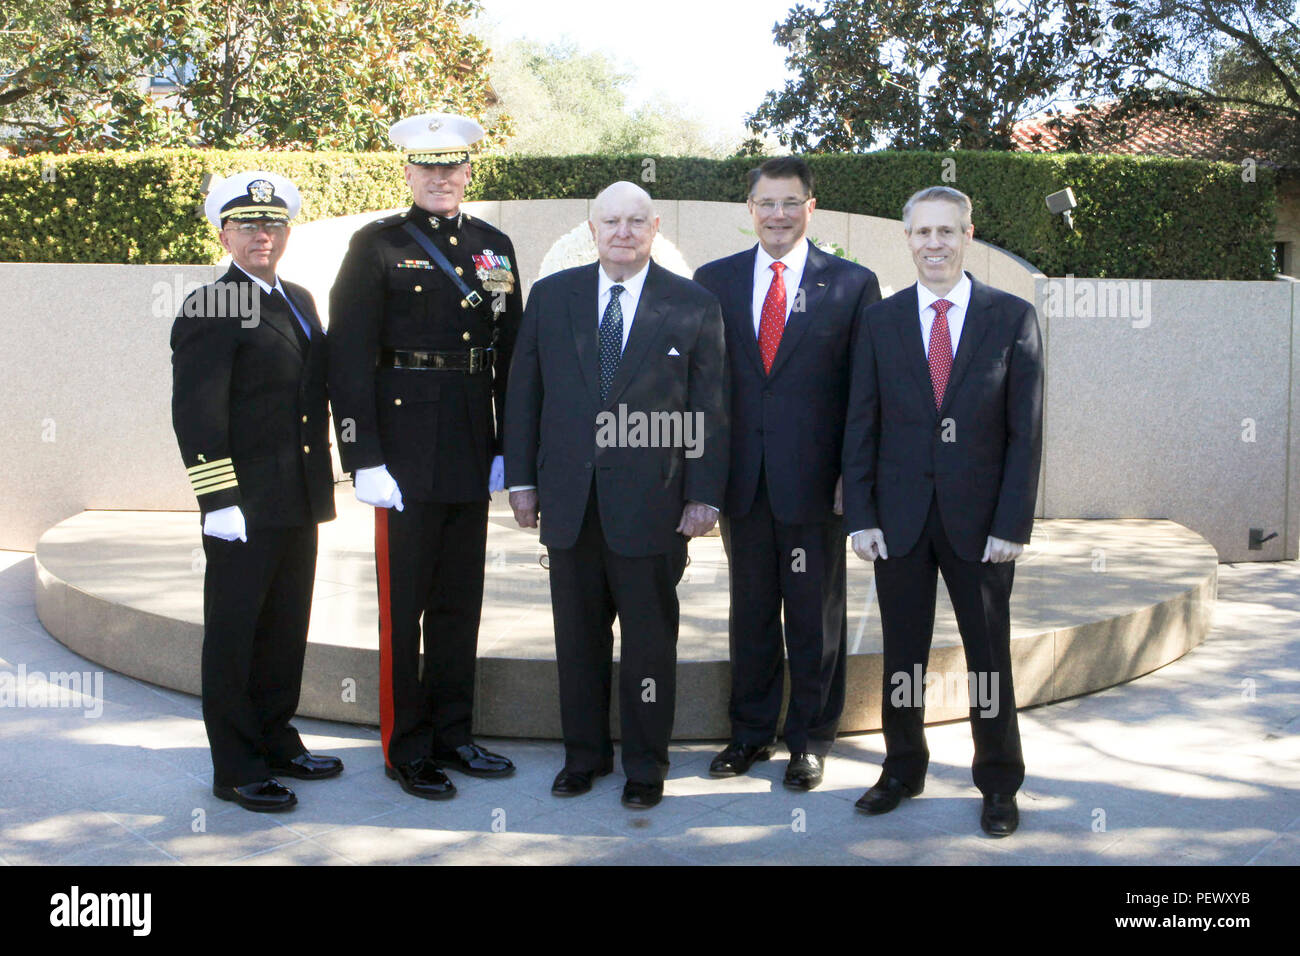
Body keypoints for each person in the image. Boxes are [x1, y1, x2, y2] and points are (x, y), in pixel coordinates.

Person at [504, 182, 728, 809]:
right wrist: (521, 480)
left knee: (651, 644)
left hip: (654, 508)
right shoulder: (552, 299)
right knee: (576, 641)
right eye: (612, 222)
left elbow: (711, 410)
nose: (623, 232)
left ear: (654, 227)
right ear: (593, 227)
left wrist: (704, 494)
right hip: (570, 506)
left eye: (636, 221)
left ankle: (646, 766)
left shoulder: (693, 304)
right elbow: (525, 396)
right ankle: (584, 758)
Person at [328, 113, 521, 800]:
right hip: (403, 455)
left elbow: (512, 357)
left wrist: (510, 448)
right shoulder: (376, 245)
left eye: (454, 166)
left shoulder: (493, 246)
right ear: (407, 172)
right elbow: (347, 357)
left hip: (471, 446)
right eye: (428, 167)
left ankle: (453, 732)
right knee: (402, 605)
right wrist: (363, 456)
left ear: (471, 171)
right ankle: (405, 746)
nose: (442, 177)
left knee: (458, 602)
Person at [842, 185, 1043, 836]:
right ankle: (902, 767)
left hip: (981, 526)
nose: (934, 243)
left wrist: (1012, 525)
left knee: (988, 659)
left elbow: (1026, 432)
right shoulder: (881, 321)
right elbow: (861, 424)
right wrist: (862, 515)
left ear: (968, 235)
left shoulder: (1010, 318)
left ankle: (998, 782)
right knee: (903, 657)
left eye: (946, 232)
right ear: (908, 239)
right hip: (898, 521)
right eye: (922, 233)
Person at [694, 156, 881, 790]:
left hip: (816, 486)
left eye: (790, 202)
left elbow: (865, 395)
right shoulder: (712, 281)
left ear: (811, 207)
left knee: (813, 616)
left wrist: (852, 482)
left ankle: (809, 739)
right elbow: (704, 387)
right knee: (749, 613)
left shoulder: (853, 286)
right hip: (741, 484)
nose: (778, 214)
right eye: (766, 203)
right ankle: (748, 735)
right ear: (749, 209)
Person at [171, 170, 342, 813]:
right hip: (242, 504)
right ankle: (237, 766)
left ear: (287, 232)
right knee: (236, 634)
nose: (260, 235)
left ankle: (277, 738)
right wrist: (217, 500)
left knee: (284, 627)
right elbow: (195, 414)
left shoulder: (298, 296)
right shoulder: (210, 306)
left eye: (271, 225)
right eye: (245, 225)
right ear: (223, 233)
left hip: (297, 496)